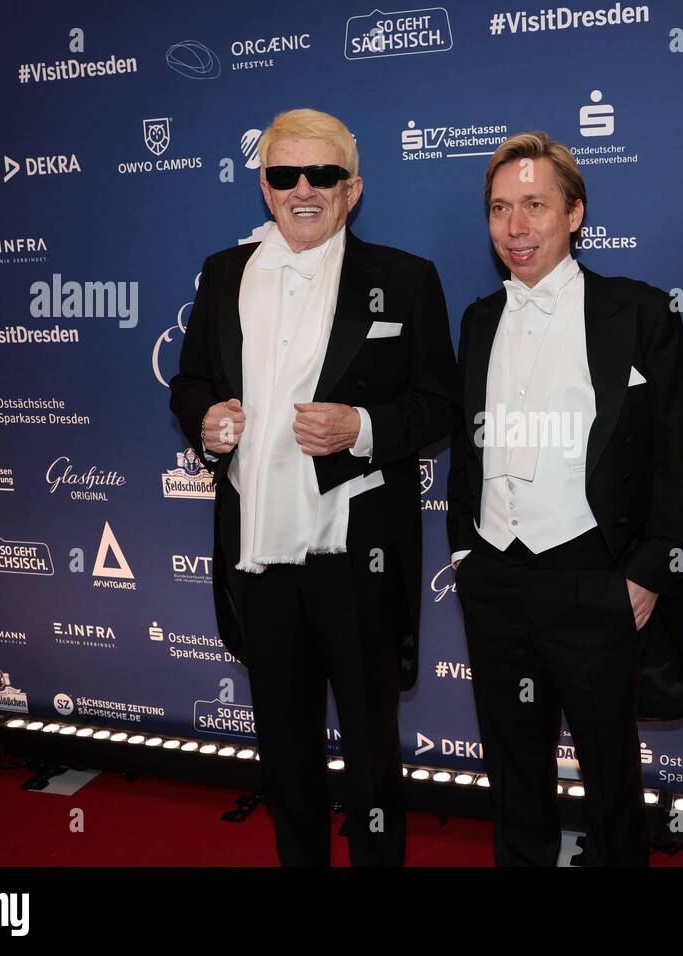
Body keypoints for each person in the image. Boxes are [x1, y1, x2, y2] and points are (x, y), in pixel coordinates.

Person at [169, 108, 459, 866]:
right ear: (263, 187)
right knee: (284, 750)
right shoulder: (222, 273)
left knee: (370, 754)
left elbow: (440, 402)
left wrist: (360, 427)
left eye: (323, 174)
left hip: (354, 557)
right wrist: (206, 418)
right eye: (283, 174)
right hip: (257, 556)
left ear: (353, 188)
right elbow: (190, 380)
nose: (303, 189)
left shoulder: (404, 278)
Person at [447, 131, 683, 866]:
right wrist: (464, 550)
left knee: (610, 776)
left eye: (534, 206)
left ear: (576, 213)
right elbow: (467, 446)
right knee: (514, 771)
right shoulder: (478, 319)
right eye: (499, 208)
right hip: (494, 575)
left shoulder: (640, 312)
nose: (515, 228)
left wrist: (649, 569)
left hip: (594, 576)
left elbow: (671, 451)